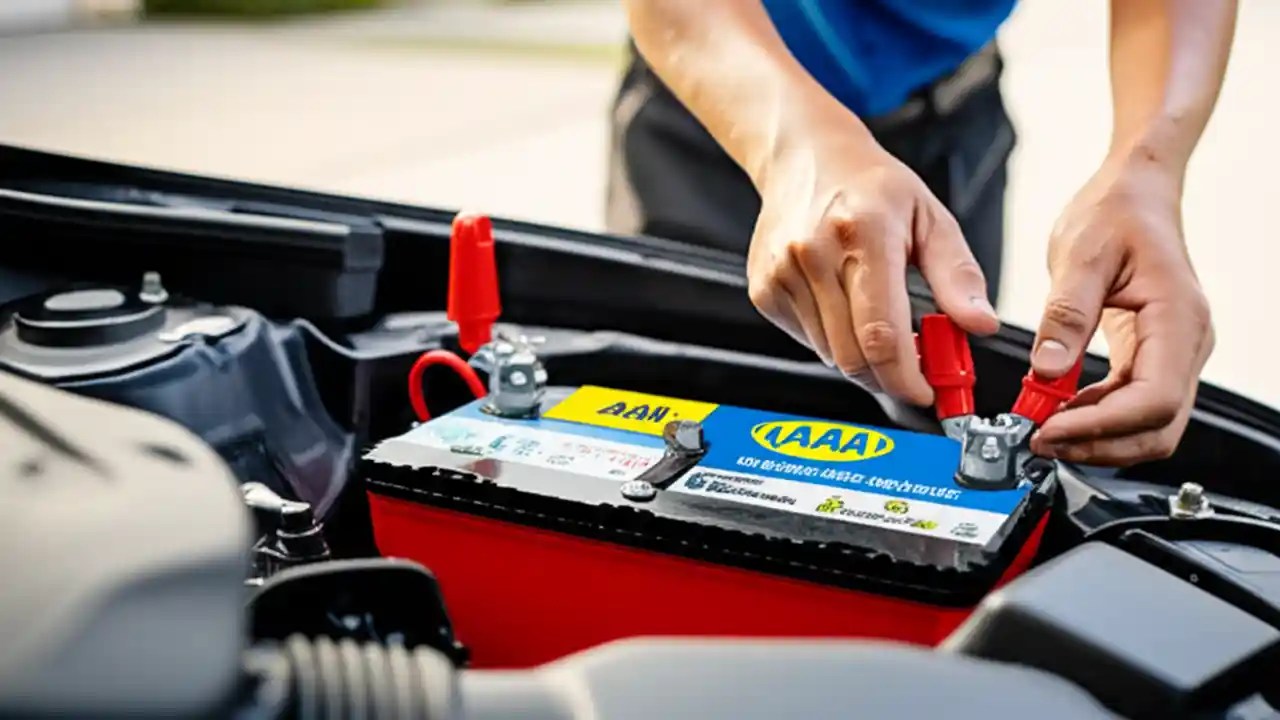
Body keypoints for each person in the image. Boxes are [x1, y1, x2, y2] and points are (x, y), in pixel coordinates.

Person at [606, 0, 1236, 467]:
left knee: (927, 442)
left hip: (954, 119)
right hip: (717, 103)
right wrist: (790, 141)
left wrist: (1148, 168)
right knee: (665, 446)